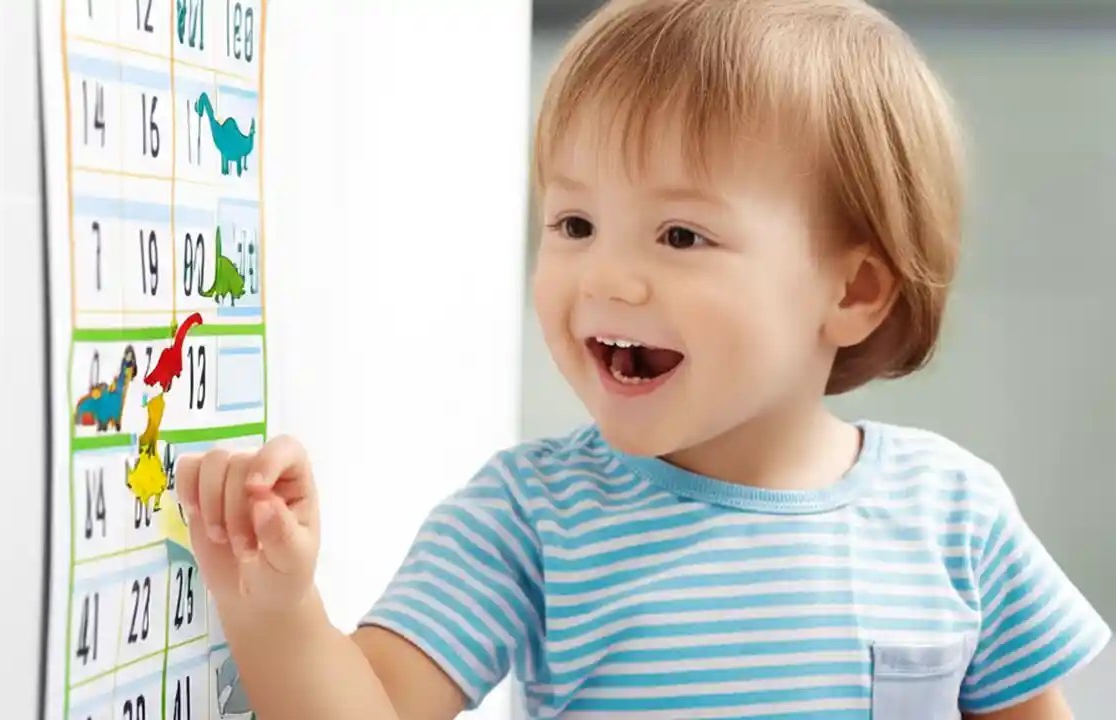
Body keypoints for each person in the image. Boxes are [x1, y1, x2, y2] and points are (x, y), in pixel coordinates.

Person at [174, 0, 1111, 716]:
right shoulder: (527, 518)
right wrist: (276, 609)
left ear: (853, 291)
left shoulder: (956, 515)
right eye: (574, 223)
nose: (607, 279)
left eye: (680, 235)